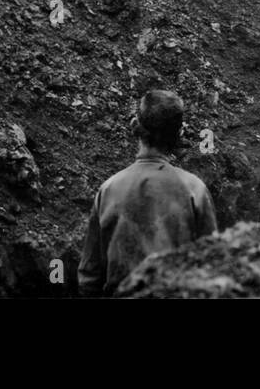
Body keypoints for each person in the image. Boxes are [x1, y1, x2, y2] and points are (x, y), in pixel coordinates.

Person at [77, 90, 217, 297]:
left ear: (136, 126)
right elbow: (214, 269)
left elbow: (90, 276)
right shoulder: (194, 190)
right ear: (178, 135)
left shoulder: (108, 190)